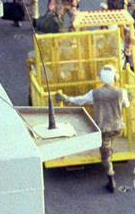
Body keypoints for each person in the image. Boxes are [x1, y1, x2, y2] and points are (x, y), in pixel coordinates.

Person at [55, 64, 130, 193]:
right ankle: (109, 150)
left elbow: (80, 100)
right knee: (109, 143)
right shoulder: (121, 92)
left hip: (103, 128)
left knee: (105, 155)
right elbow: (126, 105)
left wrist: (66, 99)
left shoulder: (95, 94)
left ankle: (111, 177)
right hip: (118, 128)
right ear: (115, 78)